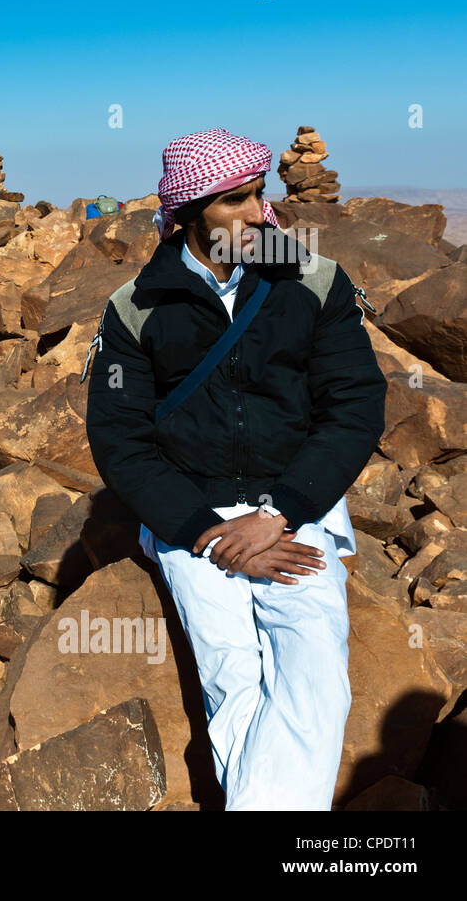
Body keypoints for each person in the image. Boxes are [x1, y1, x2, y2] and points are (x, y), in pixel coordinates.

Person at [83, 128, 387, 810]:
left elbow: (356, 405)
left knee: (316, 681)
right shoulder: (137, 307)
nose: (258, 213)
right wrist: (205, 532)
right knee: (234, 681)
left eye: (259, 194)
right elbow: (120, 437)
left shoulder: (312, 280)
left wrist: (279, 511)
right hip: (193, 519)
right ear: (190, 214)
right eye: (236, 200)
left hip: (295, 509)